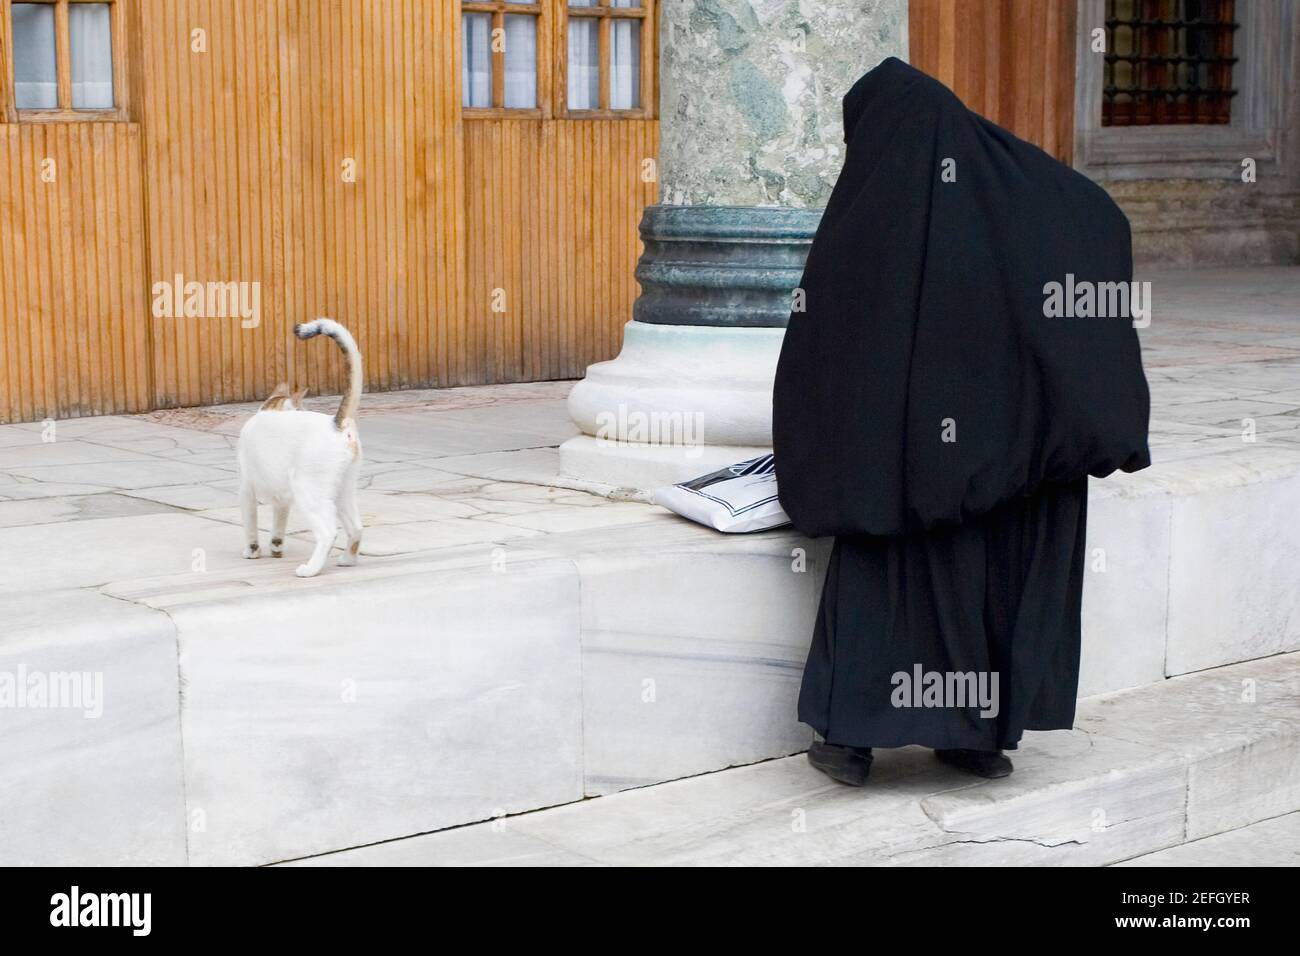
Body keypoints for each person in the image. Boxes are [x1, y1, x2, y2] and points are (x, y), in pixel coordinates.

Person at [772, 58, 1151, 784]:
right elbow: (1097, 229)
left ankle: (851, 739)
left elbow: (825, 351)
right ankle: (976, 738)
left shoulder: (876, 218)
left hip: (907, 478)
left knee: (886, 572)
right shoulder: (1032, 196)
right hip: (1006, 467)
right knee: (991, 571)